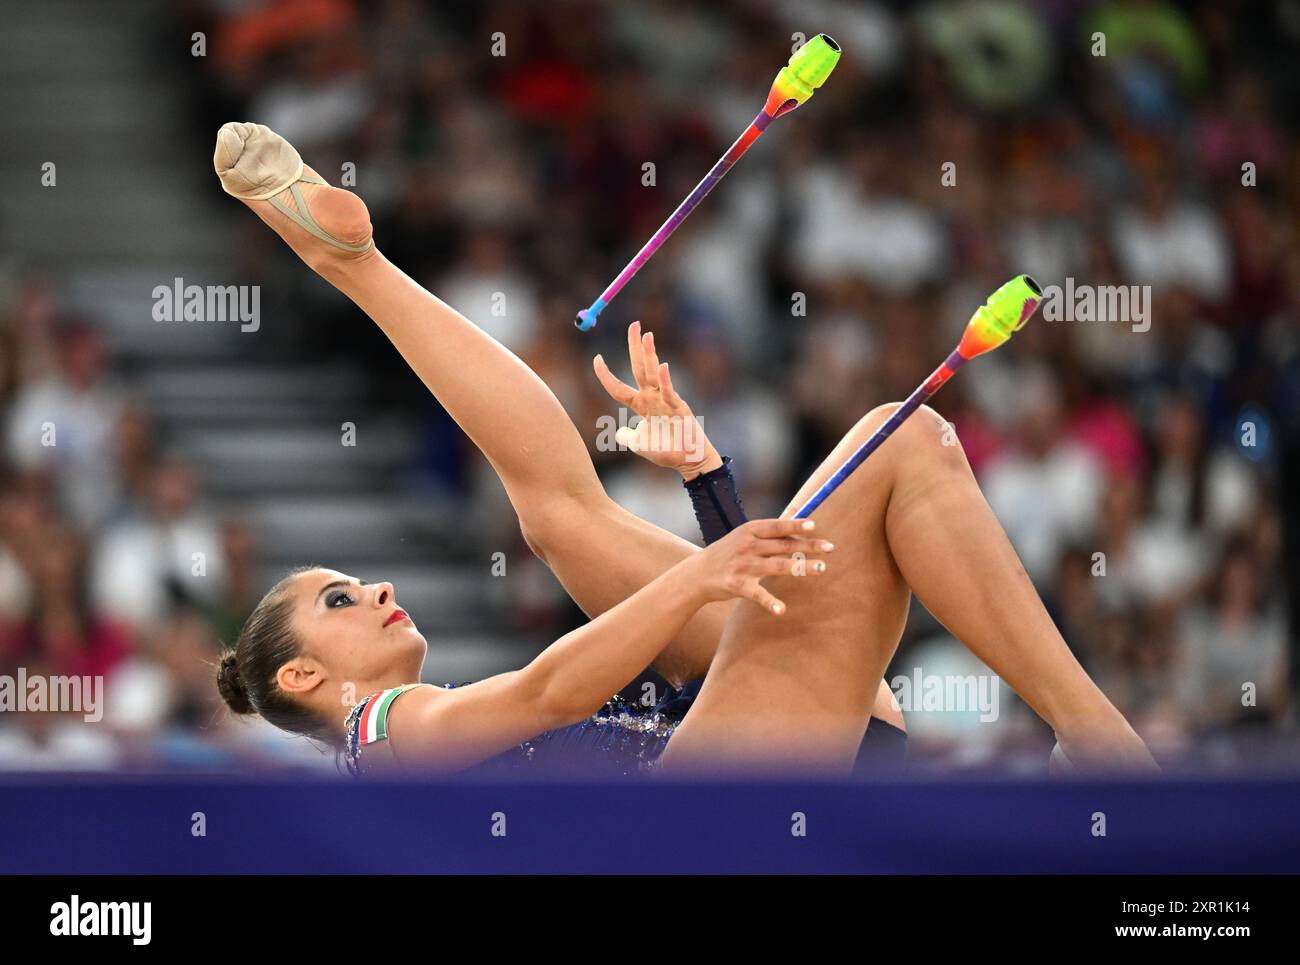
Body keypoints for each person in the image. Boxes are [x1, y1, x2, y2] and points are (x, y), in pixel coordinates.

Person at [213, 122, 1155, 777]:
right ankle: (1101, 739)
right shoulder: (383, 739)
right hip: (716, 819)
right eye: (339, 599)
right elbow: (548, 690)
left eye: (351, 581)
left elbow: (747, 622)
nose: (375, 589)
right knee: (896, 438)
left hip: (763, 759)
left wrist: (708, 484)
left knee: (564, 514)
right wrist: (695, 580)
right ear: (304, 677)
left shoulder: (424, 743)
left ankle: (357, 265)